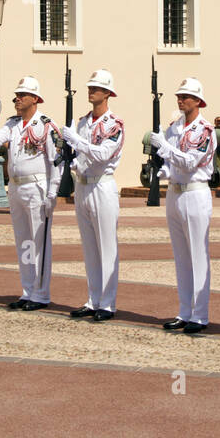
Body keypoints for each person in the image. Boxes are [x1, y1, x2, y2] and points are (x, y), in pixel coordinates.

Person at [0, 76, 63, 311]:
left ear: (35, 99)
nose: (17, 99)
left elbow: (56, 161)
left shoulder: (47, 125)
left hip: (37, 187)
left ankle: (41, 293)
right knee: (24, 242)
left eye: (22, 95)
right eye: (16, 95)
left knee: (39, 242)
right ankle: (28, 289)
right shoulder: (12, 124)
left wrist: (53, 193)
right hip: (17, 187)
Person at [151, 78, 217, 336]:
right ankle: (184, 310)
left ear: (198, 101)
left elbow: (191, 162)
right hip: (175, 193)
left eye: (187, 96)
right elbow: (171, 163)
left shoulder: (205, 130)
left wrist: (165, 148)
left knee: (198, 255)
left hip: (195, 193)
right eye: (179, 96)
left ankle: (199, 314)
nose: (181, 100)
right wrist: (162, 172)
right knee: (181, 256)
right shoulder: (174, 128)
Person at [61, 68, 124, 322]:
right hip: (83, 185)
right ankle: (93, 299)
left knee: (106, 246)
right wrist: (72, 161)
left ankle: (107, 304)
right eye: (89, 87)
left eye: (96, 88)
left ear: (107, 93)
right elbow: (82, 157)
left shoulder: (114, 124)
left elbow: (102, 154)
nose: (91, 91)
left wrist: (76, 141)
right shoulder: (84, 121)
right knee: (89, 247)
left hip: (103, 186)